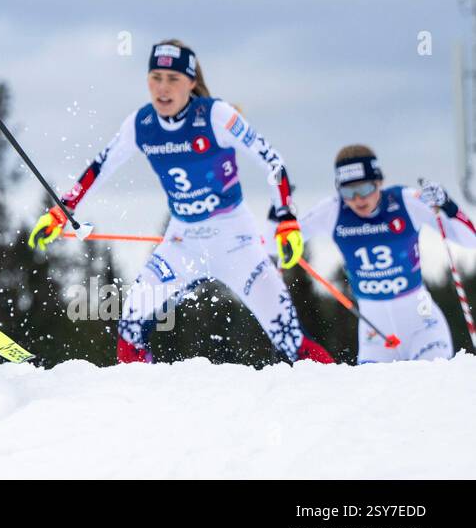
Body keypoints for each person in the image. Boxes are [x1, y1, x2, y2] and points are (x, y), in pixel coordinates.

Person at [30, 39, 334, 364]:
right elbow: (100, 167)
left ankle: (337, 395)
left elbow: (271, 161)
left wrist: (286, 218)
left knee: (289, 338)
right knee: (131, 324)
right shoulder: (141, 125)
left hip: (236, 242)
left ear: (191, 82)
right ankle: (137, 401)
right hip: (182, 243)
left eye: (173, 79)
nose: (163, 88)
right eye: (155, 78)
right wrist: (62, 211)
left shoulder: (217, 115)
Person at [299, 145, 476, 362]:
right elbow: (277, 242)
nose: (357, 199)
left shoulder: (405, 201)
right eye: (348, 192)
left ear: (379, 182)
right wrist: (280, 215)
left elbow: (470, 239)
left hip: (424, 327)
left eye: (364, 189)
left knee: (429, 392)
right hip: (374, 337)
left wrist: (447, 204)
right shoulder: (332, 211)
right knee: (375, 396)